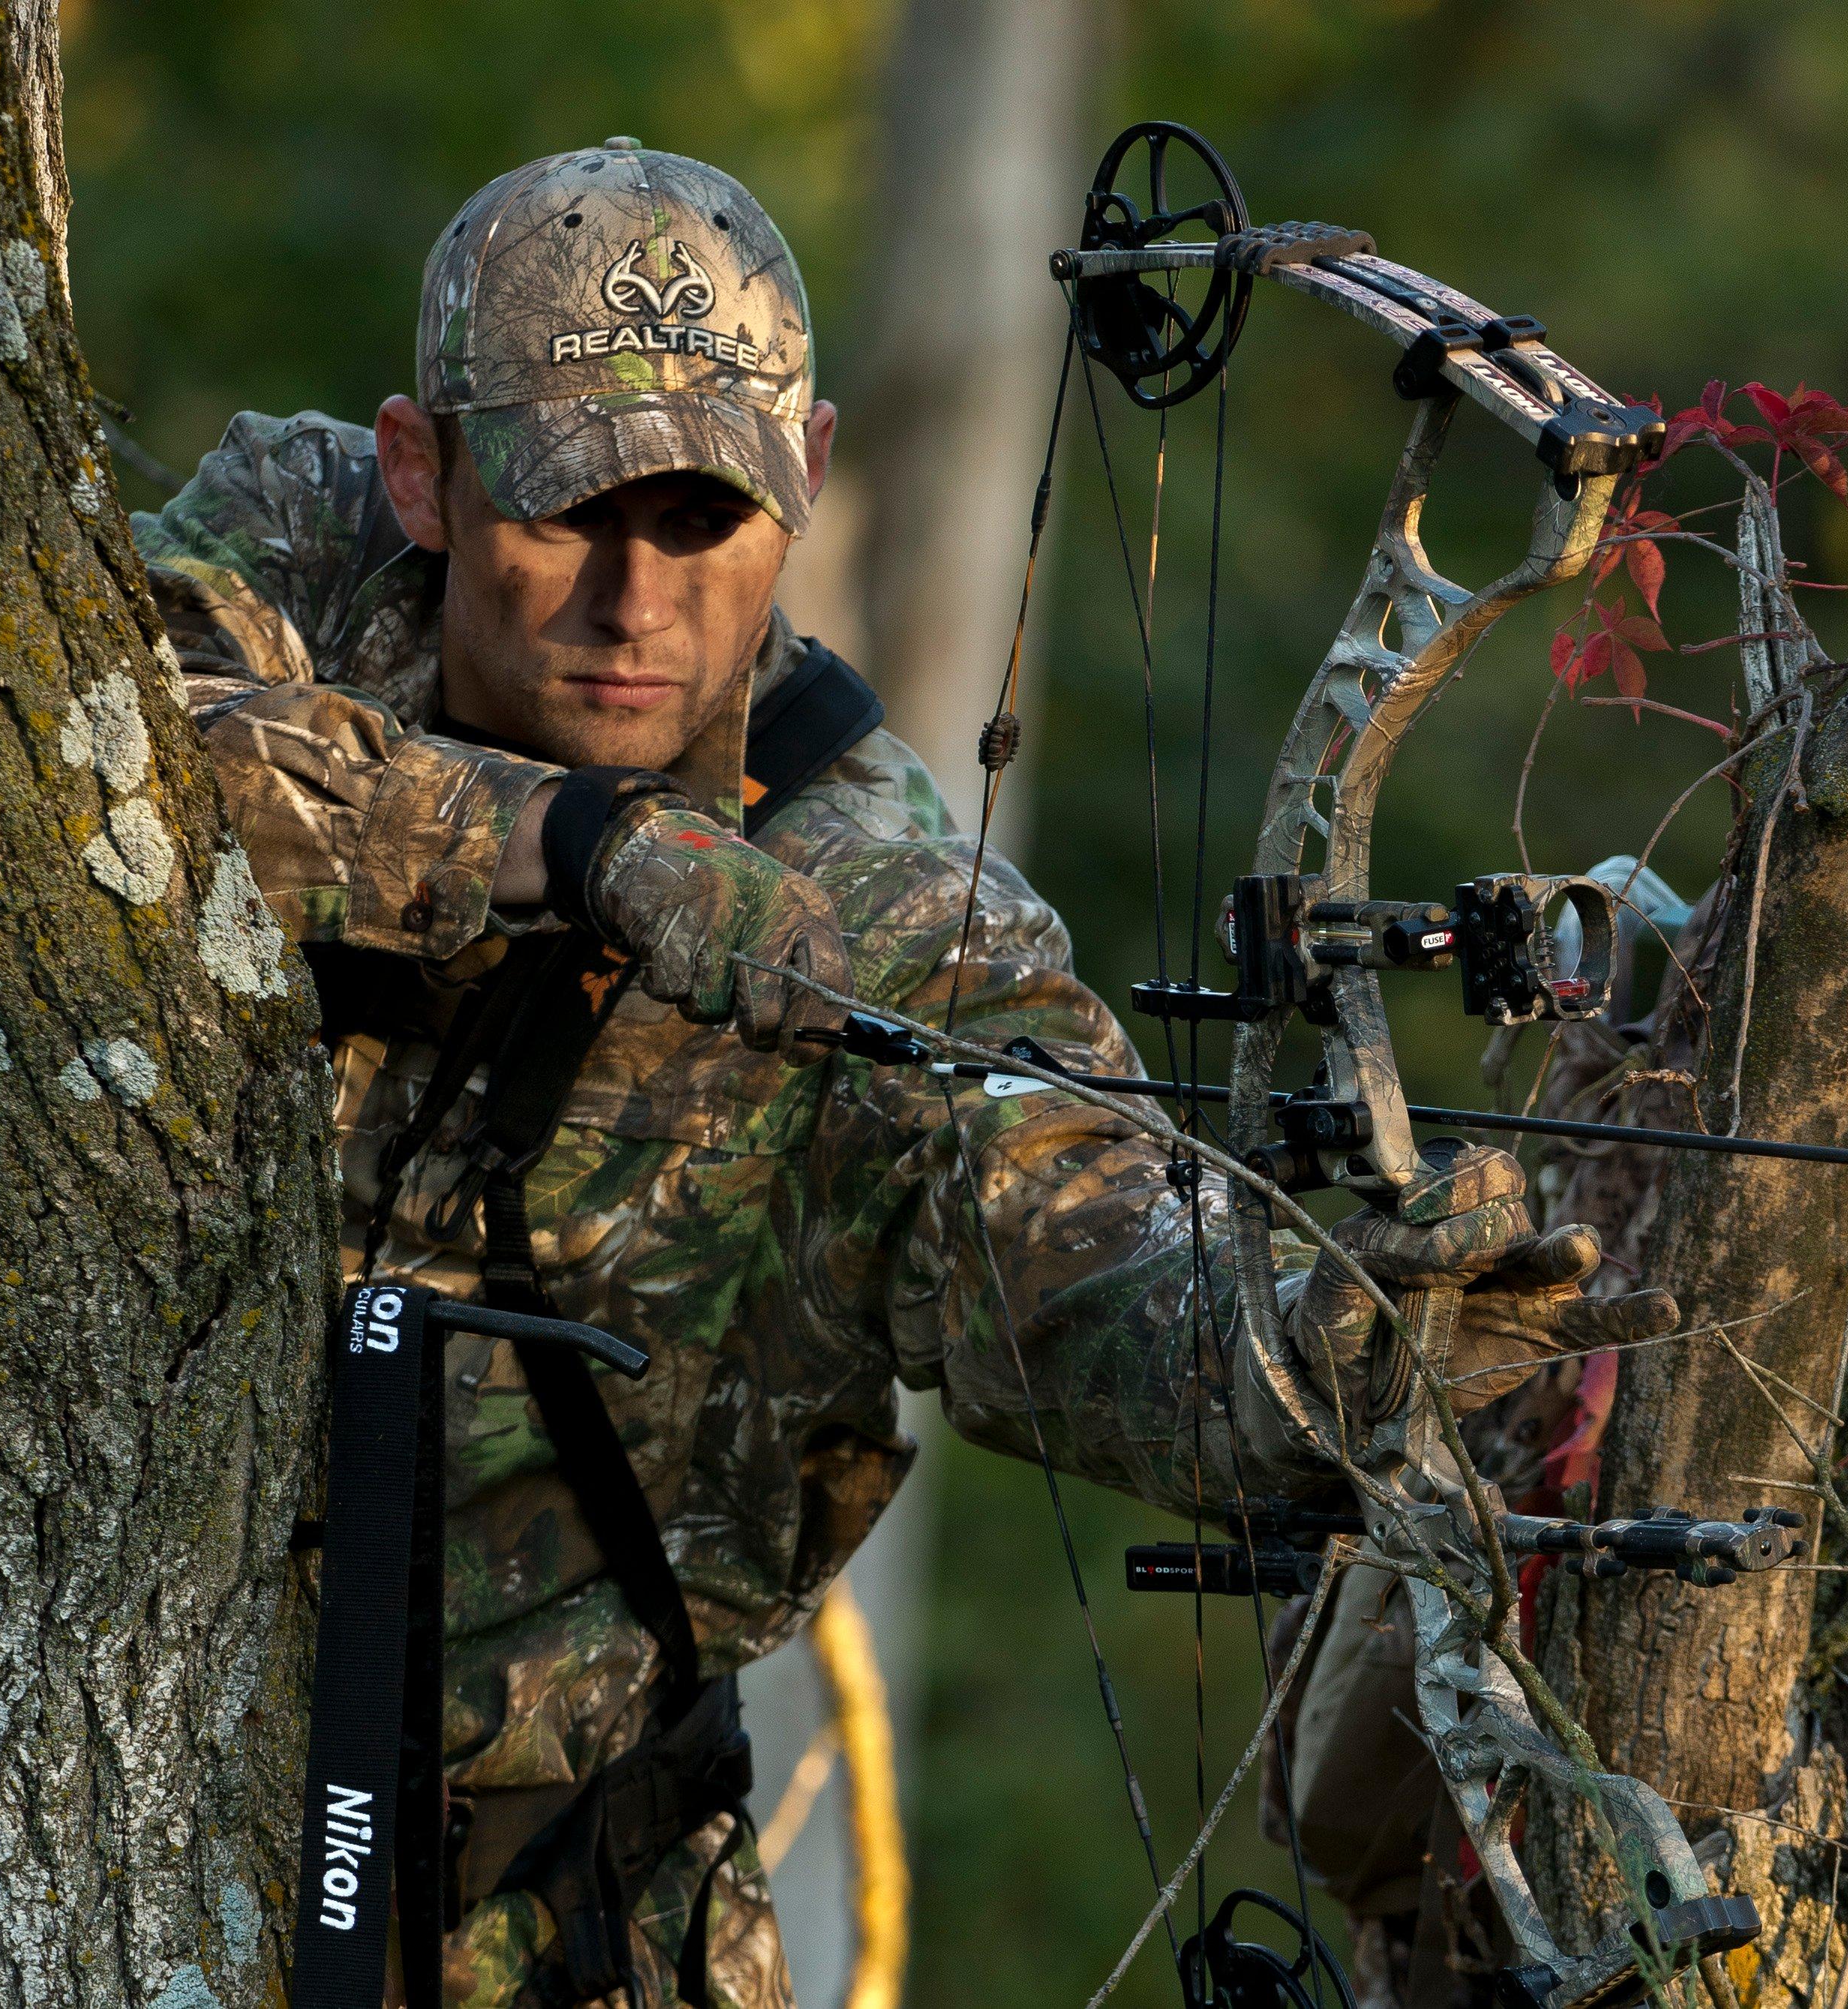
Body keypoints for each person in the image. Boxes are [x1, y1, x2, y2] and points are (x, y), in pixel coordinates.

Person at [138, 137, 1672, 2008]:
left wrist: (1324, 1345)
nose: (637, 601)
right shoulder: (296, 540)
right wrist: (577, 838)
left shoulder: (883, 906)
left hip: (555, 1921)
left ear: (809, 482)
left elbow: (1079, 1237)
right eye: (564, 512)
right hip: (90, 1818)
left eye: (706, 521)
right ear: (421, 471)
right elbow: (99, 778)